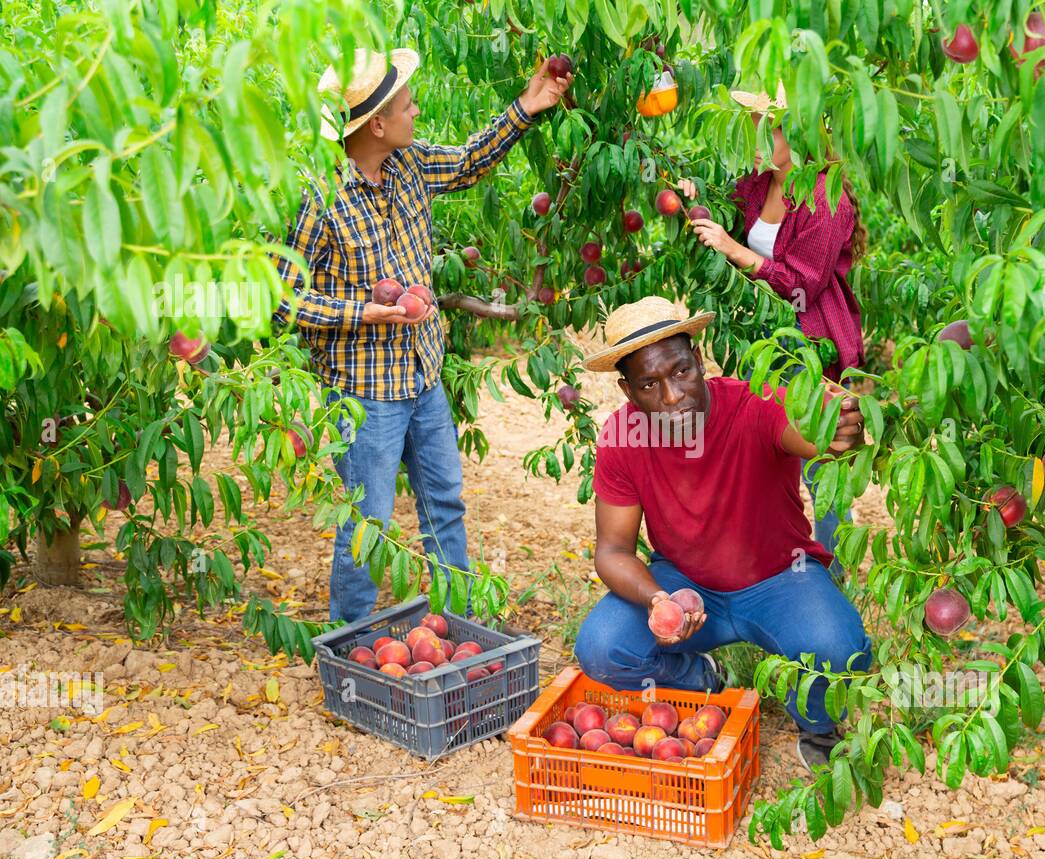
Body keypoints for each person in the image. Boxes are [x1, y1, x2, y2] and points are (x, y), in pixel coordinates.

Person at [270, 49, 570, 623]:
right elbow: (283, 302)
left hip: (423, 376)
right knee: (367, 524)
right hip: (363, 393)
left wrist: (527, 107)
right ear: (376, 124)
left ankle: (455, 624)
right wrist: (365, 313)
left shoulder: (409, 163)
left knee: (445, 506)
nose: (417, 110)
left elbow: (467, 162)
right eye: (407, 104)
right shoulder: (318, 197)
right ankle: (351, 639)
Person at [573, 295, 873, 771]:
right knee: (602, 648)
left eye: (680, 372)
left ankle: (815, 722)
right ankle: (701, 677)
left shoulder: (752, 403)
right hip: (684, 583)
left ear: (698, 358)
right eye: (650, 385)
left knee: (840, 651)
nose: (672, 396)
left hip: (780, 578)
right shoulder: (622, 437)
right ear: (629, 393)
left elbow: (807, 435)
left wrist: (836, 434)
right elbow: (612, 550)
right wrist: (657, 599)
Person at [679, 82, 867, 567]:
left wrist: (734, 249)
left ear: (798, 133)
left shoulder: (827, 199)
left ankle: (835, 579)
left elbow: (801, 280)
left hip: (813, 349)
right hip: (760, 345)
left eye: (769, 130)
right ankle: (765, 565)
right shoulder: (760, 182)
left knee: (819, 463)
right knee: (761, 456)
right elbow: (725, 208)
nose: (757, 142)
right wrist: (698, 196)